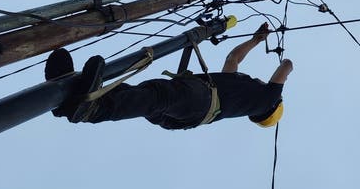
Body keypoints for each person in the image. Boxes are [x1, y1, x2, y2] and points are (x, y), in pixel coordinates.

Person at [48, 23, 292, 130]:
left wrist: (285, 60)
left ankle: (91, 110)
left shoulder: (268, 99)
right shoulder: (237, 90)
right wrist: (255, 40)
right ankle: (71, 94)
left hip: (199, 101)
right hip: (192, 109)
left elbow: (286, 67)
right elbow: (233, 59)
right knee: (145, 95)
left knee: (155, 96)